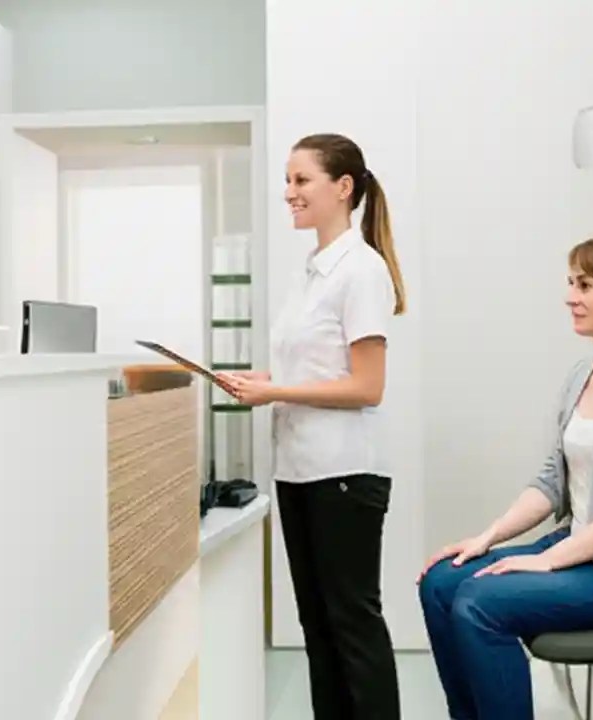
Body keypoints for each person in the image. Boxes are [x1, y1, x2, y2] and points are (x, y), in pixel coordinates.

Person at [417, 231, 593, 720]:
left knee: (482, 602)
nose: (570, 297)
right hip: (581, 548)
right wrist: (485, 539)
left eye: (585, 285)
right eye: (571, 283)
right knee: (442, 581)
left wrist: (547, 561)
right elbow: (552, 480)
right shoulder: (580, 376)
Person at [222, 133, 406, 720]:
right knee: (317, 627)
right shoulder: (313, 271)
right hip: (300, 472)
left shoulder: (362, 270)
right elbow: (318, 366)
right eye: (288, 180)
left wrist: (275, 389)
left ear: (343, 187)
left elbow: (366, 385)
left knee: (352, 626)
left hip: (345, 475)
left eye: (301, 180)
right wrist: (267, 379)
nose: (289, 193)